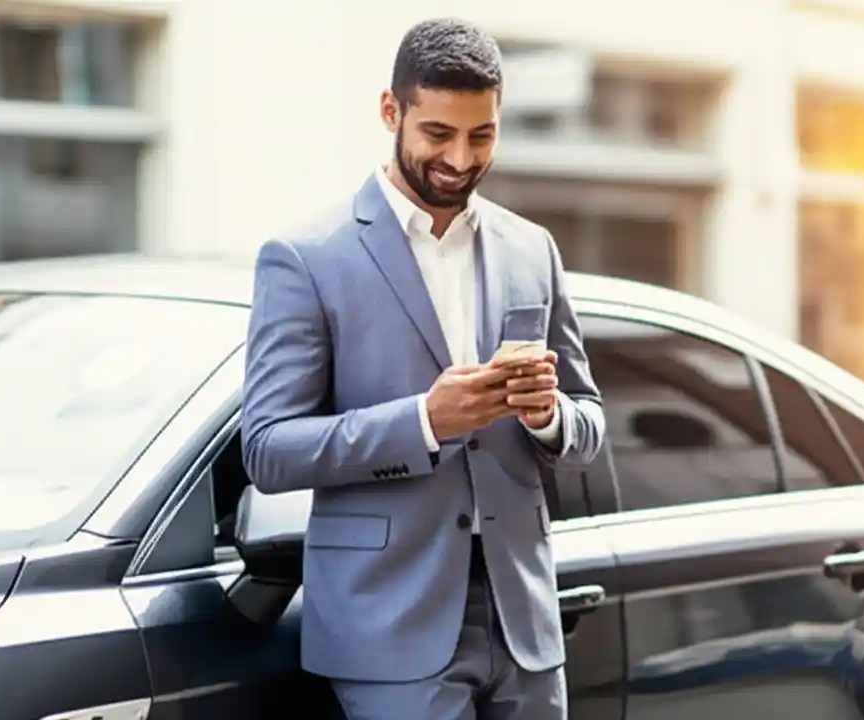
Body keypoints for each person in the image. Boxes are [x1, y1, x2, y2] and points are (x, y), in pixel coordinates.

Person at [240, 17, 605, 720]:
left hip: (525, 624)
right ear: (390, 111)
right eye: (438, 134)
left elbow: (590, 424)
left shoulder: (533, 250)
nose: (461, 159)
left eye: (482, 136)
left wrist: (550, 416)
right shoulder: (306, 257)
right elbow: (268, 450)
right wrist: (422, 422)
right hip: (390, 629)